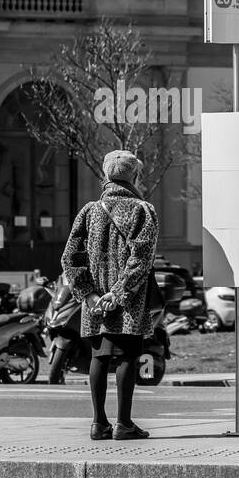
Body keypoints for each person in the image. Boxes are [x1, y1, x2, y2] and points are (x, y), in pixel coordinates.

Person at [62, 150, 159, 441]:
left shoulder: (89, 210)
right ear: (134, 176)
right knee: (127, 355)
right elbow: (141, 259)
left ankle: (98, 423)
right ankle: (124, 423)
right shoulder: (143, 210)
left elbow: (69, 257)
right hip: (129, 301)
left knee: (99, 356)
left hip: (95, 305)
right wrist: (118, 294)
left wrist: (89, 295)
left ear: (105, 175)